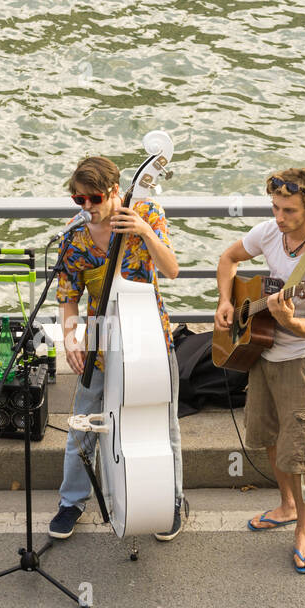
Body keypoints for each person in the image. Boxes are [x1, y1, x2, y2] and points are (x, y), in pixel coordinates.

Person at [49, 156, 187, 542]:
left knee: (164, 422)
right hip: (101, 334)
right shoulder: (75, 237)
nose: (88, 208)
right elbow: (68, 294)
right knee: (82, 421)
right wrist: (71, 337)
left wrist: (144, 230)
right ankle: (71, 502)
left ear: (114, 191)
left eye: (94, 199)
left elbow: (172, 269)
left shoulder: (146, 212)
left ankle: (172, 500)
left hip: (149, 334)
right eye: (79, 201)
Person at [215, 167, 305, 572]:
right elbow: (228, 258)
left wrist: (288, 321)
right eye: (274, 207)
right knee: (270, 437)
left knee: (300, 452)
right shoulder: (270, 231)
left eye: (288, 210)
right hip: (261, 354)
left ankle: (304, 531)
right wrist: (225, 302)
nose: (279, 216)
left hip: (299, 361)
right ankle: (287, 505)